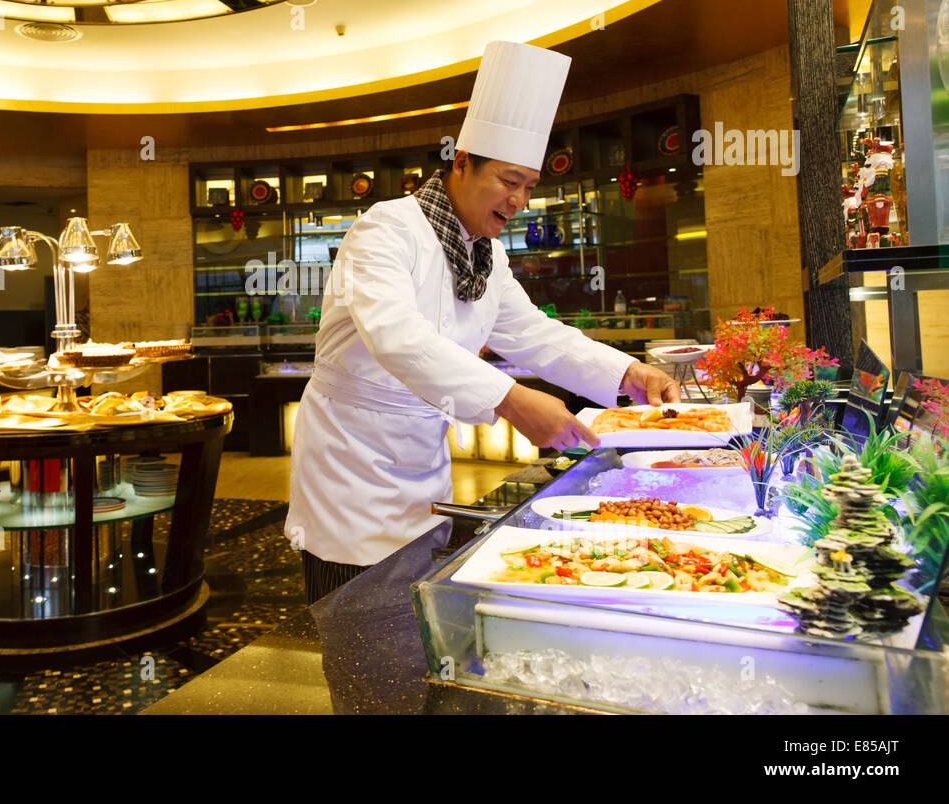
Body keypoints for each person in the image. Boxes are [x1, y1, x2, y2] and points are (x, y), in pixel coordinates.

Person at [286, 41, 680, 604]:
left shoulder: (486, 255)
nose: (519, 199)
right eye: (509, 180)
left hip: (422, 462)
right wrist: (511, 399)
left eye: (528, 187)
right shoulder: (385, 229)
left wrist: (626, 374)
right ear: (462, 161)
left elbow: (534, 332)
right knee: (358, 619)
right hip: (351, 468)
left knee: (413, 616)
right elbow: (396, 336)